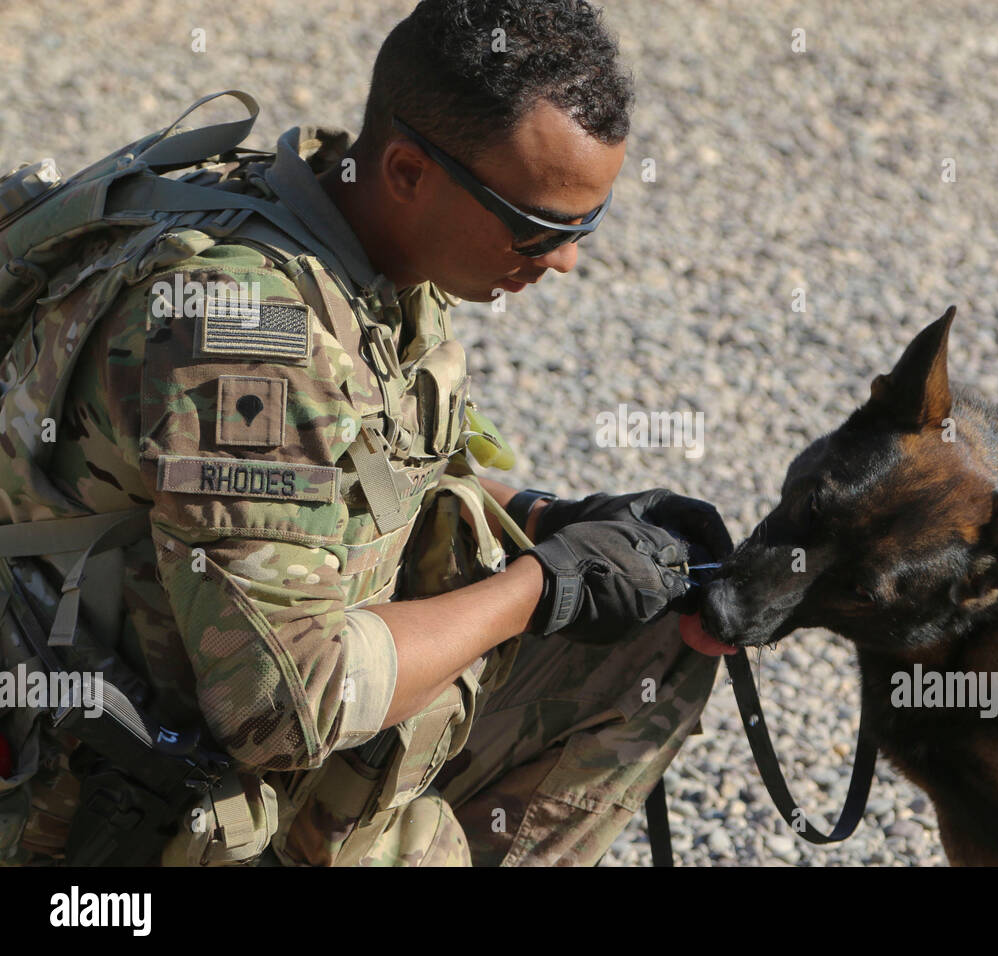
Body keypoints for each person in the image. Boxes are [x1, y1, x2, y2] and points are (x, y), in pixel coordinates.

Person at [0, 0, 731, 867]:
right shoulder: (247, 339)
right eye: (539, 228)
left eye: (584, 226)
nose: (565, 261)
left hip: (205, 693)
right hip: (126, 808)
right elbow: (281, 706)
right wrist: (543, 586)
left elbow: (366, 482)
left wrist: (557, 523)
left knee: (649, 621)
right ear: (409, 171)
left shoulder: (344, 228)